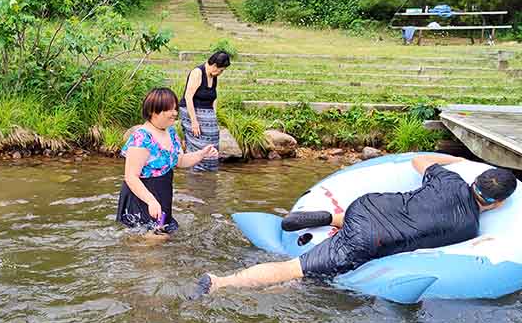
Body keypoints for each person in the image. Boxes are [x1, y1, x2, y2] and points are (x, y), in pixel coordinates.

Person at [192, 154, 518, 297]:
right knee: (294, 270)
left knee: (367, 223)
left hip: (368, 205)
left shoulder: (447, 179)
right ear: (498, 204)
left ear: (475, 180)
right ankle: (219, 283)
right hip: (371, 239)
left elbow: (418, 162)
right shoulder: (468, 228)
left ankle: (331, 219)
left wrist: (456, 162)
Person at [117, 88, 219, 233]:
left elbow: (180, 161)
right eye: (169, 109)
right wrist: (151, 201)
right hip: (142, 197)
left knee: (162, 236)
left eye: (175, 108)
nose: (175, 113)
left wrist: (201, 154)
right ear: (153, 111)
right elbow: (131, 177)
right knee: (148, 240)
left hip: (162, 194)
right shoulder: (142, 138)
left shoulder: (170, 132)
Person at [179, 51, 231, 172]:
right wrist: (194, 122)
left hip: (207, 113)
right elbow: (188, 97)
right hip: (192, 111)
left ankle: (209, 172)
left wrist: (214, 117)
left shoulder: (214, 76)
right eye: (221, 70)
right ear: (214, 65)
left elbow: (214, 97)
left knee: (213, 140)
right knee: (199, 143)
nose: (220, 73)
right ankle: (195, 171)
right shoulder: (197, 73)